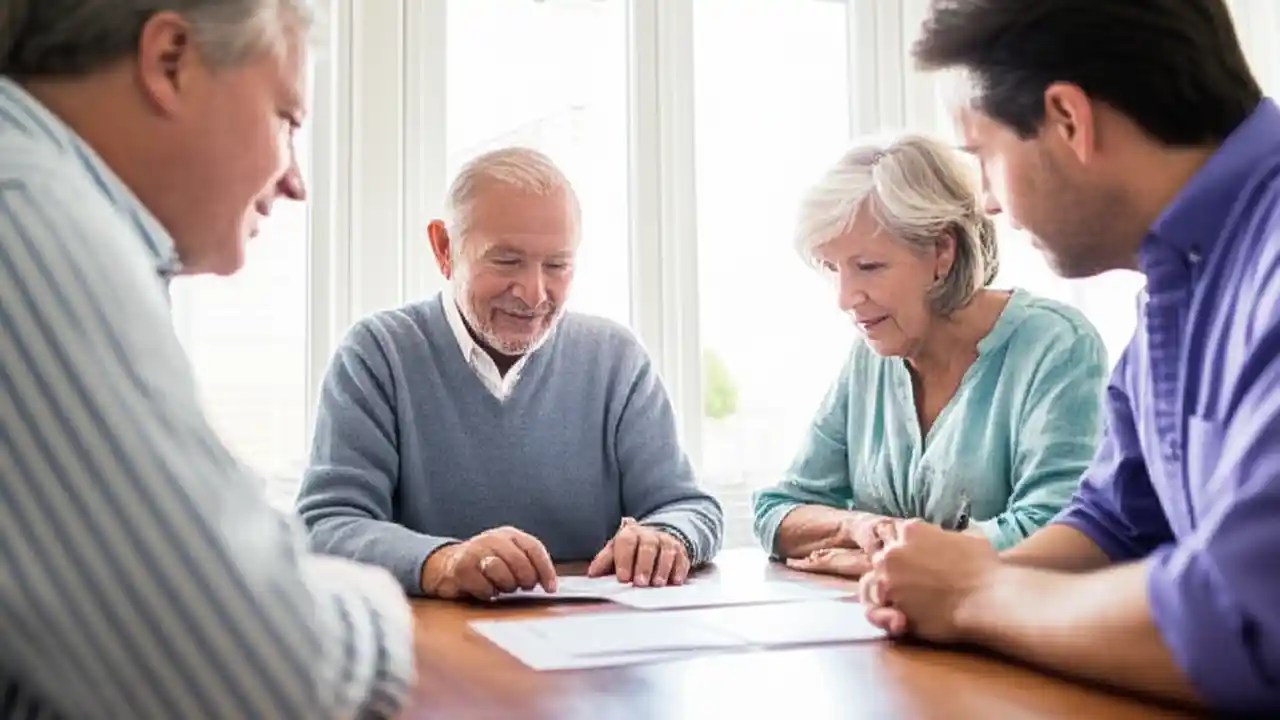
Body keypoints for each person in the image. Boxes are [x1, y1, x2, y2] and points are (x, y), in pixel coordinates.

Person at [858, 0, 1280, 713]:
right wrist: (943, 582)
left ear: (1068, 121)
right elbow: (1115, 523)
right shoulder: (1182, 279)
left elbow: (1249, 615)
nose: (985, 201)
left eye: (982, 156)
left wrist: (975, 593)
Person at [0, 1, 414, 718]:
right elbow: (262, 679)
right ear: (171, 61)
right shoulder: (30, 218)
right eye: (287, 118)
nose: (296, 181)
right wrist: (379, 604)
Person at [298, 147, 724, 601]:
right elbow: (326, 525)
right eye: (506, 261)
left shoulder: (614, 359)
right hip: (436, 649)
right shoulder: (379, 353)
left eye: (557, 265)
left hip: (589, 644)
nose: (534, 293)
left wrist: (667, 536)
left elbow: (688, 506)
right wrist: (442, 562)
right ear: (445, 249)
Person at [752, 134, 1107, 579]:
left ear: (942, 252)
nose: (844, 298)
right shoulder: (871, 357)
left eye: (868, 266)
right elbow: (777, 511)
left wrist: (887, 559)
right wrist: (859, 526)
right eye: (831, 268)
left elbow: (1053, 531)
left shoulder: (1057, 346)